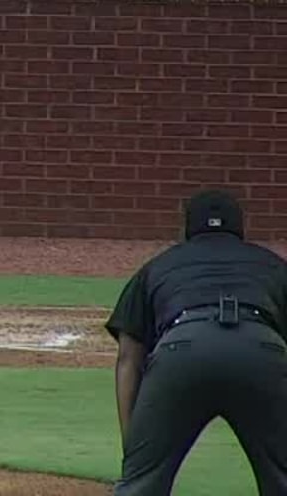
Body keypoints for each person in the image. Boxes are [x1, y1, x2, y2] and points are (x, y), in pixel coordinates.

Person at [105, 189, 287, 494]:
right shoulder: (273, 265)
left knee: (141, 487)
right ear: (240, 228)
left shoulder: (158, 266)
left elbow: (128, 358)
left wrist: (136, 450)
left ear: (186, 229)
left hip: (182, 352)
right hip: (261, 351)